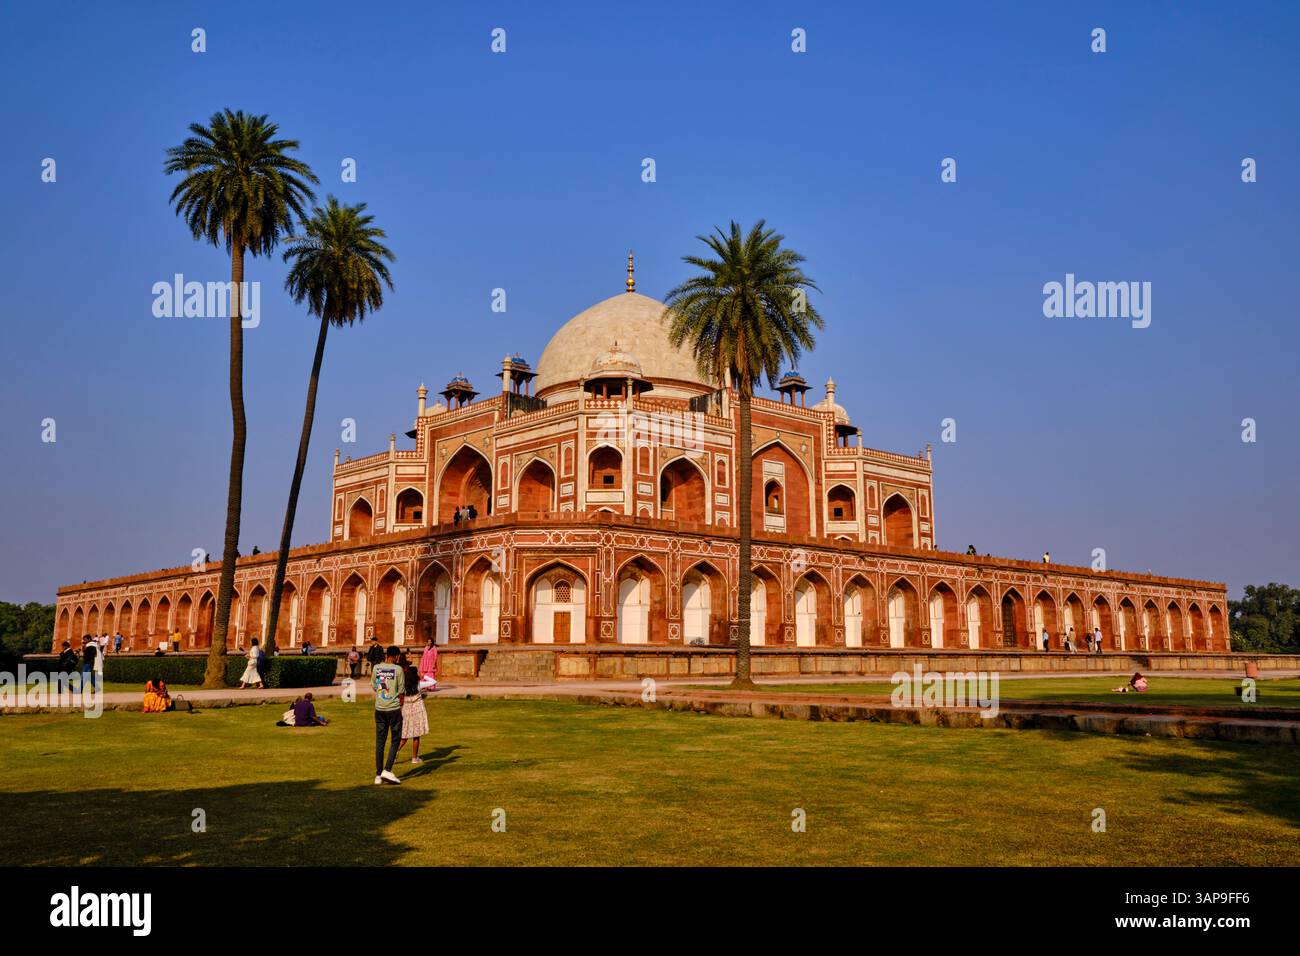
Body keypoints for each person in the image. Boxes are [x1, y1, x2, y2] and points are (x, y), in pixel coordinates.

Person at [372, 646, 406, 785]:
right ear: (396, 656)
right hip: (393, 708)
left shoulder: (377, 668)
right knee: (395, 739)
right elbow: (401, 690)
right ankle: (387, 769)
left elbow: (374, 685)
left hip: (379, 708)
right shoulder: (398, 670)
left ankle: (378, 774)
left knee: (380, 741)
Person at [396, 653, 429, 764]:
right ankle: (414, 757)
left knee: (404, 734)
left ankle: (395, 752)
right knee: (416, 734)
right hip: (417, 705)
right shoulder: (413, 672)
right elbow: (422, 680)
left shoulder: (400, 675)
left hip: (406, 705)